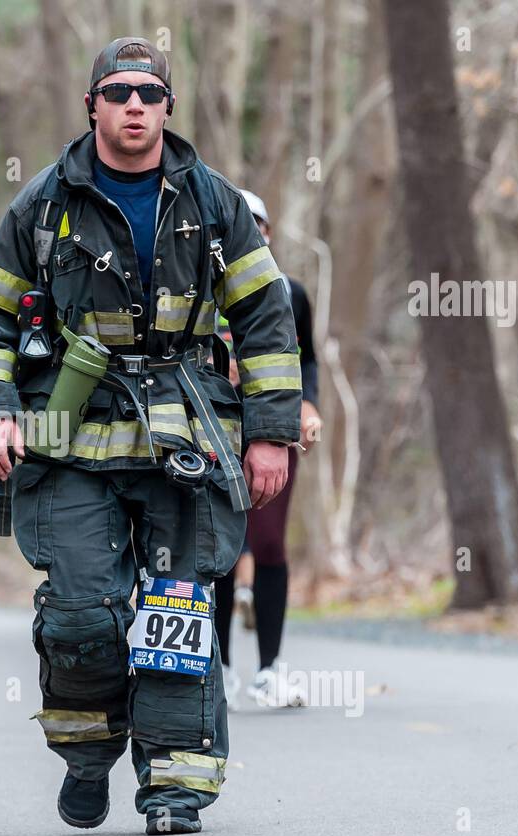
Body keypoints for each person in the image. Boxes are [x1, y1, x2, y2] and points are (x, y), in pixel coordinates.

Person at [0, 38, 302, 836]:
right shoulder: (44, 204)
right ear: (94, 105)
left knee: (177, 613)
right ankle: (87, 752)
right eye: (118, 91)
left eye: (149, 91)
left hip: (186, 433)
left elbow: (265, 316)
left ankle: (174, 787)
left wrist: (272, 432)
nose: (134, 104)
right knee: (81, 613)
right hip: (69, 437)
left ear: (168, 104)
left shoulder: (212, 202)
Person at [212, 190, 322, 709]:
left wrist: (309, 407)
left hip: (274, 430)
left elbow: (308, 360)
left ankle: (272, 668)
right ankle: (221, 669)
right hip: (211, 433)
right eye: (241, 224)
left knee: (271, 545)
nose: (250, 233)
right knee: (223, 553)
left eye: (258, 225)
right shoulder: (202, 292)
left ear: (269, 233)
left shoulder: (289, 292)